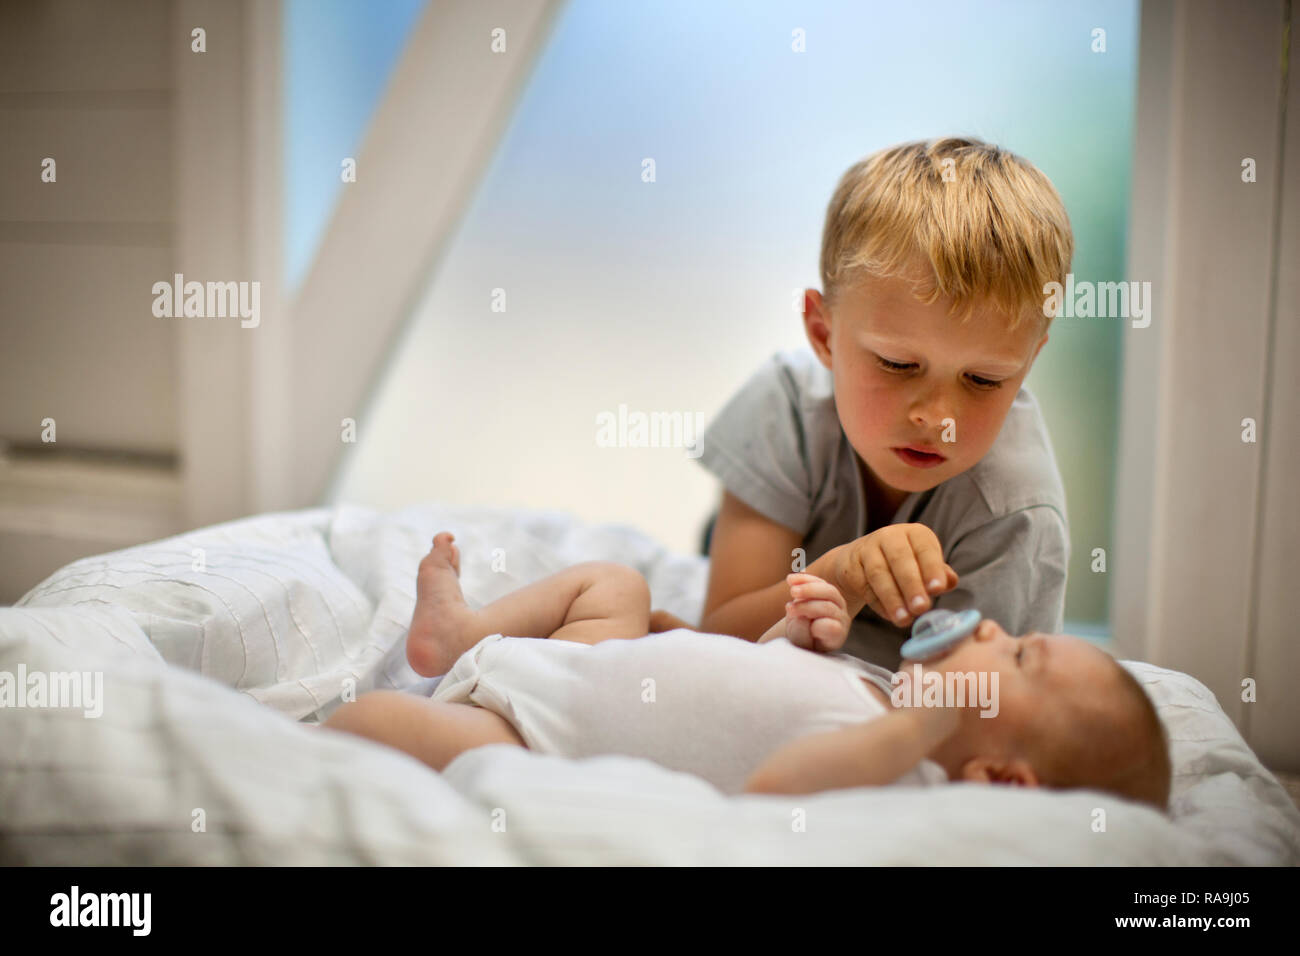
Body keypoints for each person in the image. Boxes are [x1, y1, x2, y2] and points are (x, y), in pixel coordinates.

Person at [321, 534, 1170, 810]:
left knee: (374, 729)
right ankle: (463, 633)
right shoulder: (875, 693)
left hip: (533, 733)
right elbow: (753, 673)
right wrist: (802, 631)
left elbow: (774, 789)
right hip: (587, 658)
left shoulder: (891, 780)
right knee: (617, 582)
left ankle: (439, 675)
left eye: (1019, 653)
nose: (990, 626)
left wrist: (923, 725)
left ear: (1001, 780)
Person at [684, 137, 1074, 669]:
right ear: (823, 334)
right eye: (897, 364)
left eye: (983, 379)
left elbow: (982, 713)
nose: (938, 418)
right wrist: (840, 576)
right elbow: (719, 638)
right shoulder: (786, 412)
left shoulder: (1016, 512)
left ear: (1027, 366)